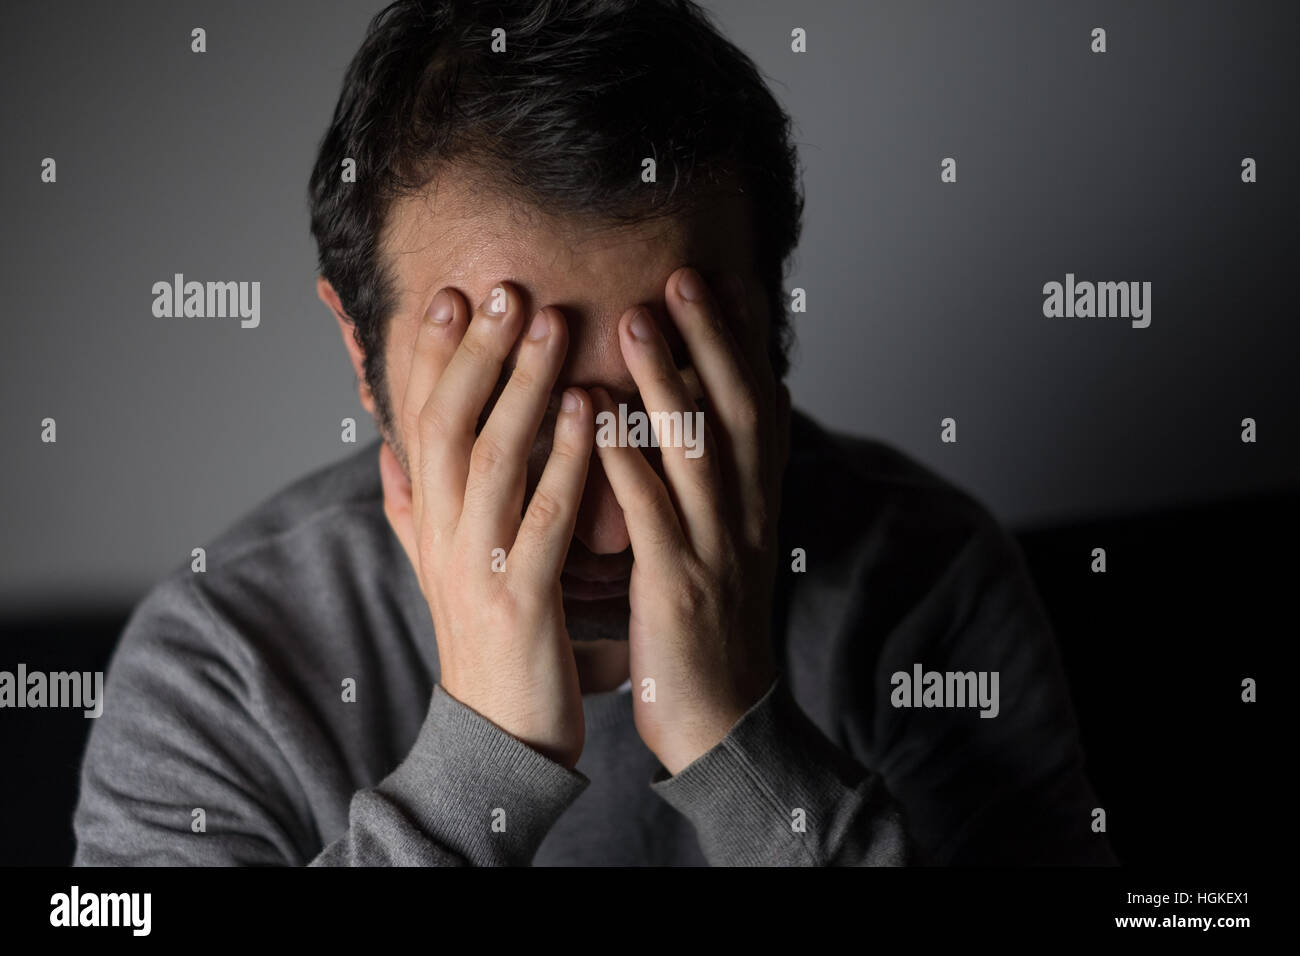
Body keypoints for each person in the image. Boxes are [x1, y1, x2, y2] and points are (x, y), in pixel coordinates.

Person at [73, 0, 1114, 866]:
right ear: (361, 353)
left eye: (669, 403)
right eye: (513, 418)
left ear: (765, 336)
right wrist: (477, 762)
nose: (614, 532)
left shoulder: (925, 584)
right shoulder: (221, 670)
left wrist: (738, 740)